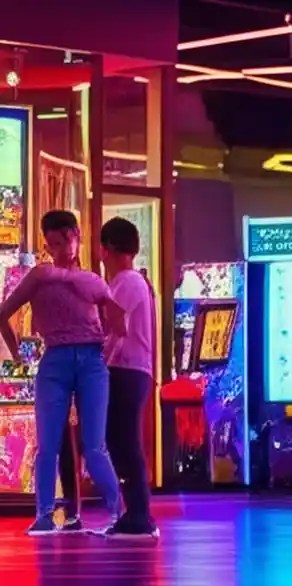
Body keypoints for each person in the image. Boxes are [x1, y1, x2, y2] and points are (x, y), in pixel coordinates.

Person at [0, 210, 126, 535]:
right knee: (47, 445)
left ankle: (119, 512)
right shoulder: (39, 277)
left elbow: (117, 322)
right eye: (52, 243)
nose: (59, 249)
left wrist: (106, 353)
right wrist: (18, 355)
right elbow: (4, 313)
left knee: (95, 445)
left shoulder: (89, 281)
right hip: (54, 359)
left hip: (90, 360)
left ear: (77, 236)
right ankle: (43, 515)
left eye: (64, 241)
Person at [97, 217, 159, 539]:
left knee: (125, 443)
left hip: (126, 369)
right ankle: (135, 514)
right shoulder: (135, 281)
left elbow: (114, 329)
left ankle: (139, 515)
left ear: (106, 248)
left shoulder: (127, 281)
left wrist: (100, 362)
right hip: (133, 370)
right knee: (120, 442)